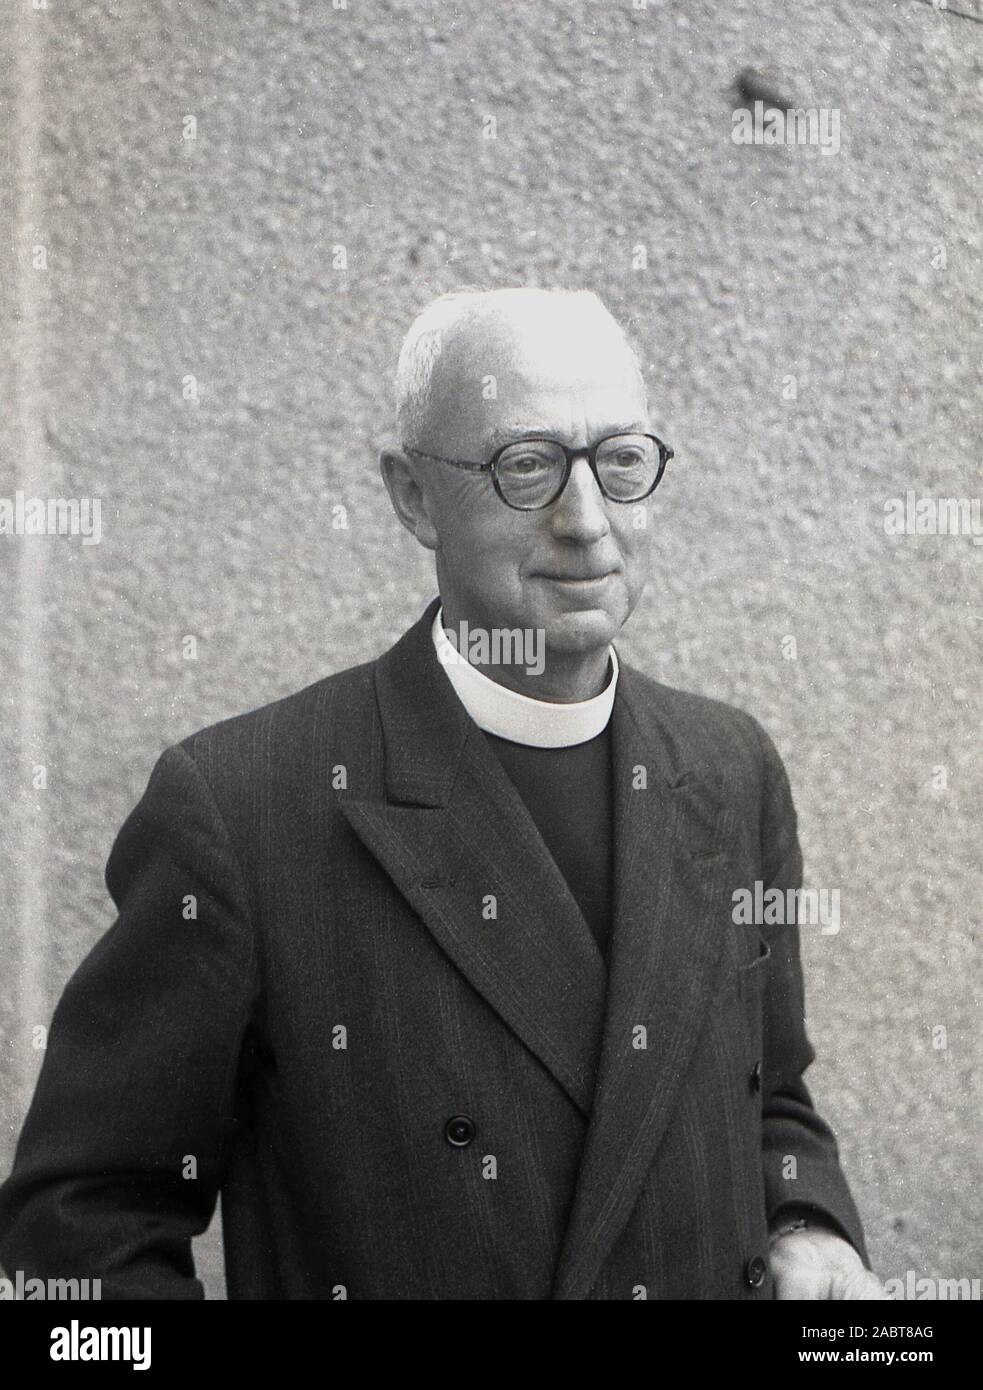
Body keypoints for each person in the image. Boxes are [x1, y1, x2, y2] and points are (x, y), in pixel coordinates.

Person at [0, 287, 887, 1300]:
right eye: (526, 467)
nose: (585, 522)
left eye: (621, 461)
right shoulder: (243, 807)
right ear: (412, 494)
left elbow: (767, 1095)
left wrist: (810, 1222)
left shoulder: (729, 769)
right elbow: (81, 1227)